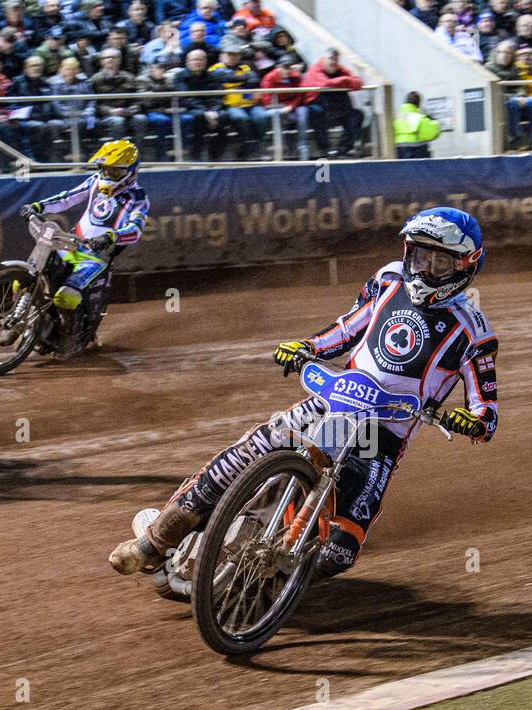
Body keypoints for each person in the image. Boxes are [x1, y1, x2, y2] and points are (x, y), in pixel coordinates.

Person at [108, 207, 498, 580]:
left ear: (465, 266)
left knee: (340, 550)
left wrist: (473, 421)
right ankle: (153, 542)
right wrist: (307, 347)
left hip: (381, 434)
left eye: (439, 263)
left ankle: (275, 587)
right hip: (335, 402)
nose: (425, 269)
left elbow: (486, 410)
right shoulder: (390, 279)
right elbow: (347, 329)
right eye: (419, 256)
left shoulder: (473, 329)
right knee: (241, 458)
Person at [17, 140, 150, 353]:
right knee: (25, 278)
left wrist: (110, 237)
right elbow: (67, 198)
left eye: (114, 172)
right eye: (105, 169)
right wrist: (38, 206)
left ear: (130, 171)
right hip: (70, 244)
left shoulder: (138, 197)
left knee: (66, 297)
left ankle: (70, 340)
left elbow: (135, 229)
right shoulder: (95, 182)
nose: (107, 175)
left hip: (96, 258)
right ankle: (24, 318)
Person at [302, 48, 364, 158]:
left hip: (340, 109)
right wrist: (345, 81)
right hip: (321, 109)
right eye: (330, 58)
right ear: (323, 59)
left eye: (336, 59)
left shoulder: (340, 69)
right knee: (316, 112)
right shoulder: (315, 69)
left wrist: (343, 80)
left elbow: (358, 83)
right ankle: (325, 149)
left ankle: (343, 149)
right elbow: (325, 84)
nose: (333, 62)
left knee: (357, 115)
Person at [394, 90, 441, 158]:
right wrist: (432, 120)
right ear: (418, 103)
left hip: (399, 150)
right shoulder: (418, 117)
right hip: (417, 150)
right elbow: (432, 132)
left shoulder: (396, 116)